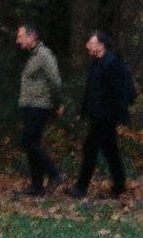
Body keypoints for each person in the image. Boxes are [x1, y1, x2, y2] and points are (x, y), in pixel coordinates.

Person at [74, 28, 135, 198]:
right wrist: (84, 111)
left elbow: (119, 92)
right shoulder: (97, 63)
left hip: (105, 116)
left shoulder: (111, 63)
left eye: (91, 42)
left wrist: (115, 113)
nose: (87, 46)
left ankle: (81, 188)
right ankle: (119, 184)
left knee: (90, 148)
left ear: (100, 45)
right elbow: (91, 91)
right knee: (110, 150)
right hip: (99, 115)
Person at [16, 22, 62, 196]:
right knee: (31, 143)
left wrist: (57, 104)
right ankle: (36, 186)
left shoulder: (44, 54)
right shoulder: (33, 55)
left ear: (32, 36)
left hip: (39, 106)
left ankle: (55, 173)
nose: (18, 40)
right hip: (30, 106)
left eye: (20, 36)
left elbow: (55, 81)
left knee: (28, 142)